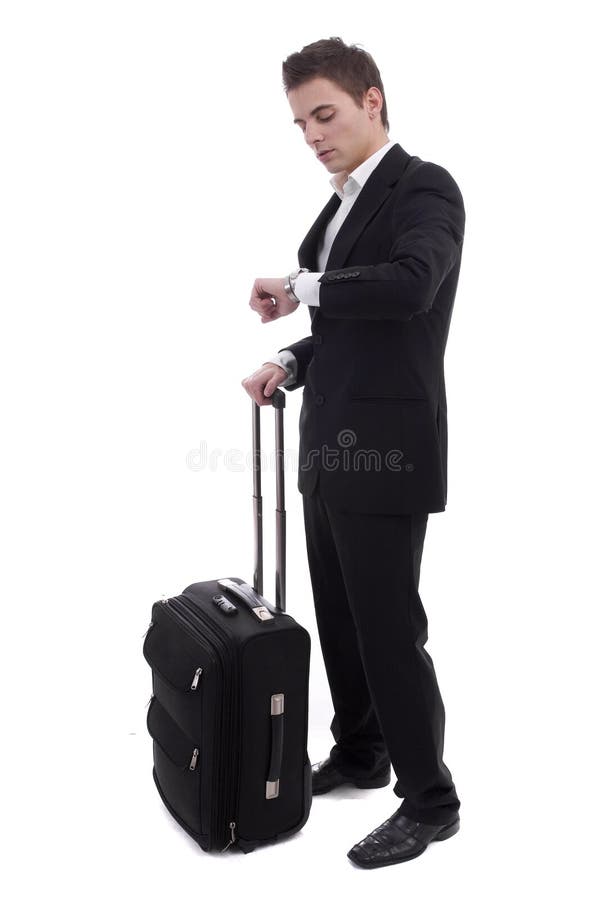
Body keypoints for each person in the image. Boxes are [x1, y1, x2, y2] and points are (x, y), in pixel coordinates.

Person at [241, 36, 465, 869]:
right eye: (300, 124)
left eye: (325, 114)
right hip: (327, 449)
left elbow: (412, 286)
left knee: (386, 626)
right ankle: (363, 751)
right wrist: (291, 358)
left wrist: (299, 286)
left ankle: (431, 800)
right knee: (339, 618)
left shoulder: (424, 187)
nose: (313, 135)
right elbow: (346, 328)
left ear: (373, 100)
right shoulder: (335, 211)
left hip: (388, 449)